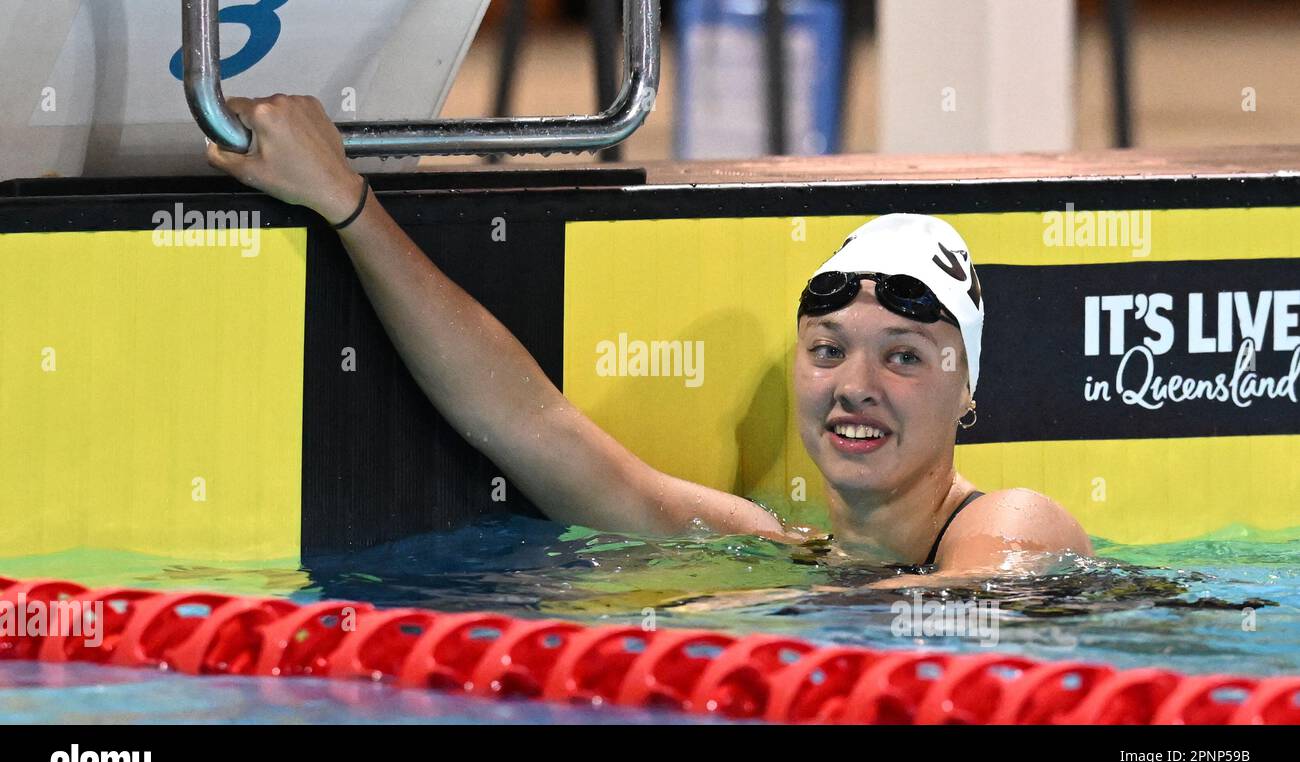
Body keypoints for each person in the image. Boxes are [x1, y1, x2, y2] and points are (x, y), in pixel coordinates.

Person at [206, 95, 1092, 584]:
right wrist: (347, 204)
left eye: (902, 355)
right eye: (828, 349)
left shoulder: (1009, 523)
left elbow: (973, 611)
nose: (855, 384)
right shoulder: (777, 550)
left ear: (967, 387)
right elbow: (527, 423)